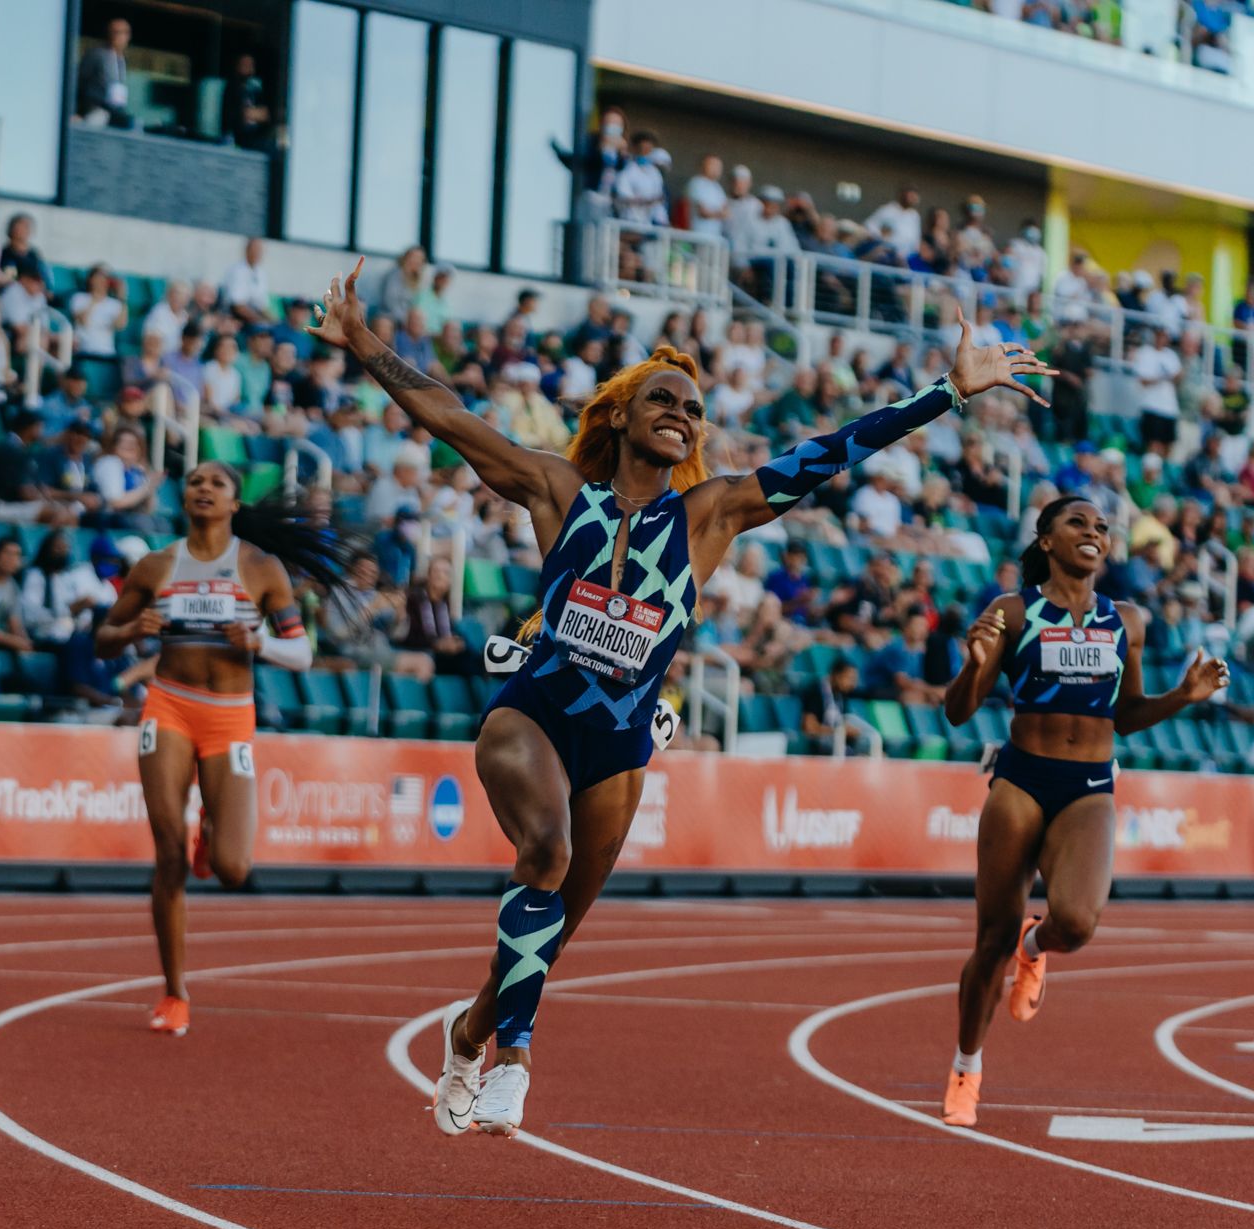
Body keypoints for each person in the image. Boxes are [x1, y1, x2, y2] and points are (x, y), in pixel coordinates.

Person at [313, 256, 1052, 1136]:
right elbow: (450, 416)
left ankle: (469, 1031)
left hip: (621, 745)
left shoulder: (710, 515)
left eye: (694, 409)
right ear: (621, 414)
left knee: (549, 935)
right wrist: (361, 339)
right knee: (544, 851)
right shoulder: (558, 490)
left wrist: (948, 392)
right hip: (531, 713)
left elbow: (831, 452)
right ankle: (514, 1059)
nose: (681, 414)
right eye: (662, 399)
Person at [938, 495, 1230, 1127]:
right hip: (1022, 779)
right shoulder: (1013, 612)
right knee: (989, 943)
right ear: (1046, 540)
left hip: (1088, 784)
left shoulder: (1127, 620)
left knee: (1075, 923)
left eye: (1101, 526)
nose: (1094, 531)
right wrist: (973, 668)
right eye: (1078, 522)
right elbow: (958, 712)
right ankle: (966, 1067)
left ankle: (1036, 944)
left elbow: (1126, 716)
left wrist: (1183, 696)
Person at [96, 471, 335, 1035]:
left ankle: (211, 825)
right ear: (184, 498)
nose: (204, 488)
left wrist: (259, 641)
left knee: (232, 868)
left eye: (217, 483)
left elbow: (301, 653)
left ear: (234, 501)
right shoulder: (156, 565)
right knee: (168, 854)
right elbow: (103, 639)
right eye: (195, 481)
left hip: (230, 718)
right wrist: (132, 629)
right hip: (169, 707)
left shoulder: (260, 567)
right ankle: (174, 991)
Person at [77, 17, 133, 128]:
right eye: (115, 32)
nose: (118, 36)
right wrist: (76, 112)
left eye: (123, 33)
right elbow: (79, 81)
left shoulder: (122, 59)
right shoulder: (96, 54)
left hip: (115, 113)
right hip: (96, 111)